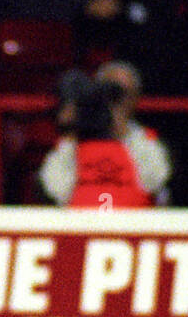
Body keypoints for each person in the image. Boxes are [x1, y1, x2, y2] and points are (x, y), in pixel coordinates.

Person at [37, 63, 171, 208]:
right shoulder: (75, 141)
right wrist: (73, 133)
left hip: (132, 223)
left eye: (122, 95)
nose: (115, 102)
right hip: (82, 223)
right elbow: (55, 189)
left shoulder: (144, 139)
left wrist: (123, 132)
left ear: (135, 98)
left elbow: (155, 181)